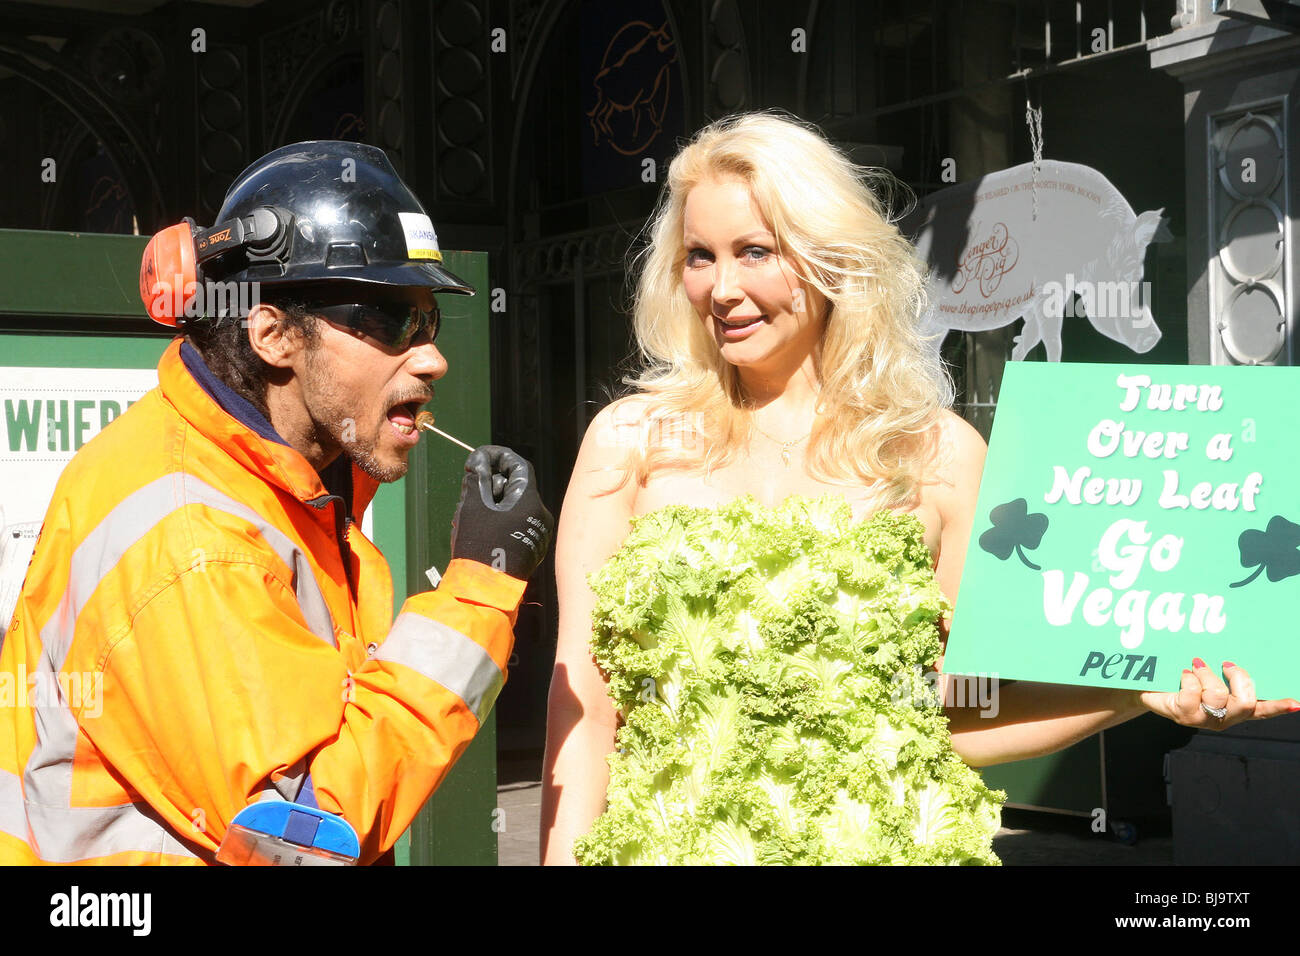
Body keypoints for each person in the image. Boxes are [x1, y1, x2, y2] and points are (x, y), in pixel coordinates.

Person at [540, 112, 1297, 865]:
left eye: (756, 252)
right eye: (699, 257)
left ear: (830, 257)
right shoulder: (628, 443)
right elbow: (585, 710)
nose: (723, 289)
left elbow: (952, 714)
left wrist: (1138, 691)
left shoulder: (936, 453)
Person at [0, 141, 552, 865]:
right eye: (391, 320)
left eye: (431, 321)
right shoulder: (193, 537)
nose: (431, 357)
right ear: (272, 334)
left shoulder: (281, 483)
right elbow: (307, 837)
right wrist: (477, 592)